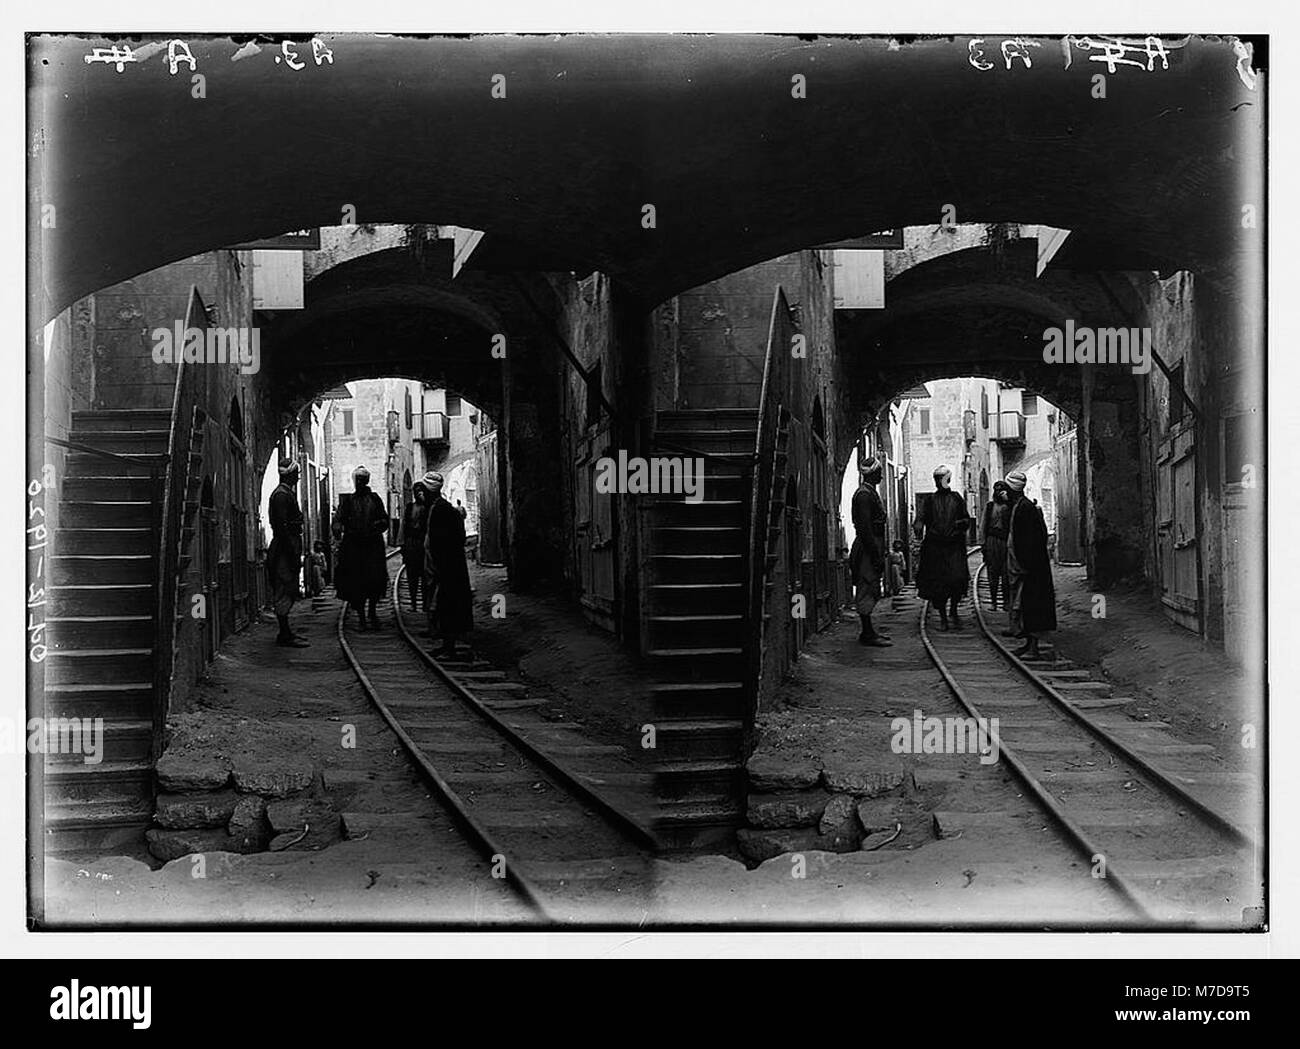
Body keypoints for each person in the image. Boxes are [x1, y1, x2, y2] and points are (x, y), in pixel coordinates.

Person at [1004, 469, 1057, 659]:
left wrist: (1024, 564)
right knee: (1025, 606)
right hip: (1025, 564)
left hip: (1030, 567)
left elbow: (1029, 540)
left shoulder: (1025, 508)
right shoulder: (1021, 506)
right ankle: (1028, 644)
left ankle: (1034, 648)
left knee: (1031, 606)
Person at [423, 470, 474, 659]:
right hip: (447, 564)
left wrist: (437, 565)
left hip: (447, 566)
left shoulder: (440, 509)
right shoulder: (441, 507)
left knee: (448, 605)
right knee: (445, 604)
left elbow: (441, 541)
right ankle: (446, 645)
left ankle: (449, 647)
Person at [914, 463, 971, 631]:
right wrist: (918, 528)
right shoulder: (930, 500)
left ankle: (953, 610)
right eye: (938, 479)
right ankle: (943, 617)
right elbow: (920, 519)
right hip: (935, 548)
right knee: (937, 583)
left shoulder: (956, 498)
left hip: (954, 547)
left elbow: (966, 519)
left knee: (957, 580)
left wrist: (958, 525)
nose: (940, 482)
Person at [332, 466, 390, 631]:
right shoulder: (348, 501)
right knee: (356, 582)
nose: (359, 483)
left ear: (366, 481)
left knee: (374, 580)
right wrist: (337, 530)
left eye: (362, 480)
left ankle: (372, 612)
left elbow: (384, 519)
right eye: (357, 480)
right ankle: (362, 617)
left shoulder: (375, 499)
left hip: (372, 546)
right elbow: (338, 519)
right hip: (354, 547)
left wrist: (376, 526)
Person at [848, 455, 891, 646]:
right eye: (879, 472)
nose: (881, 476)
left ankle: (869, 631)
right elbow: (865, 528)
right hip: (867, 547)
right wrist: (875, 555)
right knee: (867, 587)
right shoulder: (864, 495)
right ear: (872, 474)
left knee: (871, 586)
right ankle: (867, 633)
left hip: (871, 545)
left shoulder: (868, 492)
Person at [266, 458, 309, 647]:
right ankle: (284, 634)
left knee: (287, 589)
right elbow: (282, 527)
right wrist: (291, 555)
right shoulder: (282, 495)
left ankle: (286, 632)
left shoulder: (283, 493)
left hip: (287, 545)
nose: (298, 478)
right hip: (284, 548)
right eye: (296, 474)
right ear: (290, 475)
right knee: (284, 589)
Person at [981, 480, 1011, 611]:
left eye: (1001, 489)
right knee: (992, 573)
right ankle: (993, 602)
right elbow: (983, 526)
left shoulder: (1010, 506)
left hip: (1005, 542)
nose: (998, 492)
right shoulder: (989, 506)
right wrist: (983, 543)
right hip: (992, 541)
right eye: (996, 489)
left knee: (1006, 574)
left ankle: (1006, 602)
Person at [401, 480, 430, 613]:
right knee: (412, 577)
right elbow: (404, 526)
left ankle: (425, 604)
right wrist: (403, 545)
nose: (418, 494)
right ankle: (413, 604)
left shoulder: (429, 508)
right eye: (416, 491)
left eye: (420, 491)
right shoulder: (409, 508)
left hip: (423, 545)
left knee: (425, 577)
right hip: (411, 545)